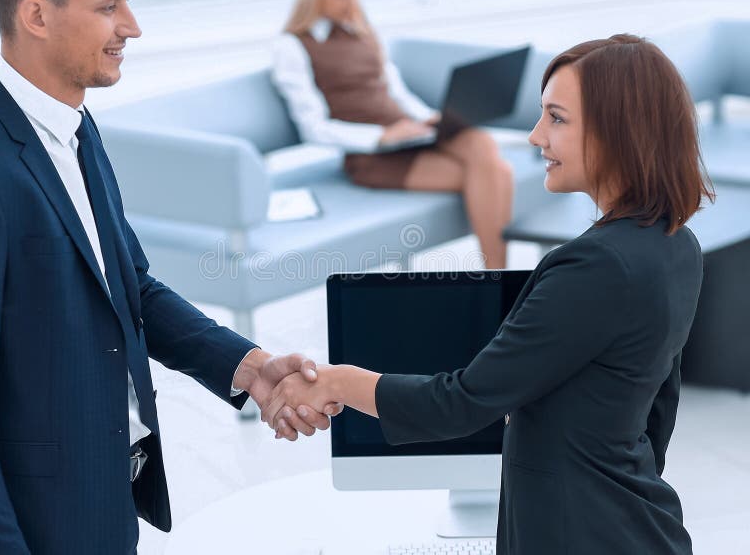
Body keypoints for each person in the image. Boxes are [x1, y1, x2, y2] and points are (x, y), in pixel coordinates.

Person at [262, 34, 715, 554]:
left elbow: (460, 404)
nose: (535, 135)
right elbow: (660, 409)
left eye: (557, 118)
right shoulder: (677, 245)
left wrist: (337, 380)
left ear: (619, 132)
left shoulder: (596, 266)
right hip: (637, 522)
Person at [0, 0, 336, 553]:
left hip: (107, 499)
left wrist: (251, 368)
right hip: (37, 526)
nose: (132, 26)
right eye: (109, 7)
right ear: (36, 15)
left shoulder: (76, 127)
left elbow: (131, 288)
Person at [272, 0, 514, 268]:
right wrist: (382, 137)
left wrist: (428, 118)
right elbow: (313, 128)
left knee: (480, 141)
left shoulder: (364, 31)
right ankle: (502, 288)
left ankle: (499, 289)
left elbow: (396, 91)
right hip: (372, 155)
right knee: (498, 172)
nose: (352, 3)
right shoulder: (291, 46)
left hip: (410, 134)